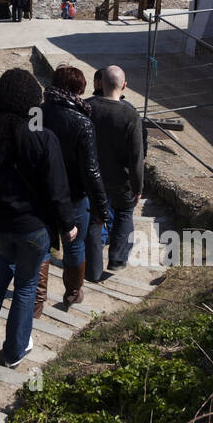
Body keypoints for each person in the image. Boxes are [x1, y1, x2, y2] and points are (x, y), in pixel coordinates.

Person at [0, 68, 77, 368]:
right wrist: (68, 225)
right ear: (33, 103)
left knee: (6, 259)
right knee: (26, 285)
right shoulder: (44, 138)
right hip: (32, 228)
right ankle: (14, 351)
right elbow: (57, 190)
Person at [40, 65, 109, 300]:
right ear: (78, 89)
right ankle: (72, 291)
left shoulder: (36, 113)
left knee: (42, 244)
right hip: (74, 195)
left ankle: (36, 297)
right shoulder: (83, 122)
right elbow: (91, 170)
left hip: (41, 190)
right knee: (75, 244)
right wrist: (101, 208)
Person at [84, 66, 146, 272]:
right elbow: (137, 157)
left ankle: (93, 268)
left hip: (91, 176)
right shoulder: (130, 115)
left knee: (95, 218)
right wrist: (138, 187)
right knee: (124, 213)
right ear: (124, 85)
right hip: (121, 179)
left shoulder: (86, 107)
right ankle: (117, 259)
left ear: (100, 83)